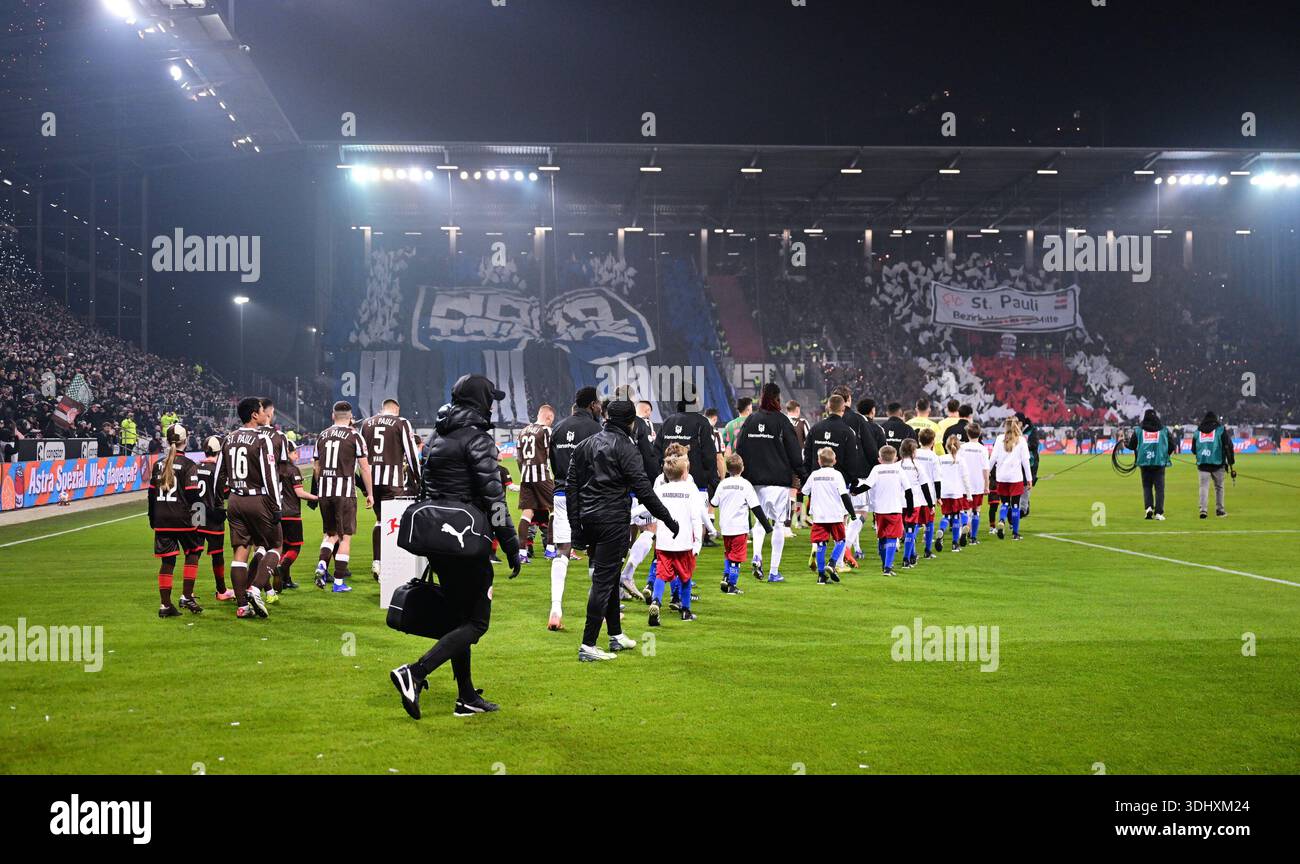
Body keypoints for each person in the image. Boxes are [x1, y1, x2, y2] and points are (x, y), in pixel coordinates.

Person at [389, 374, 520, 720]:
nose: (493, 404)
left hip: (438, 537)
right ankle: (414, 673)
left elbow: (426, 487)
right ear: (481, 401)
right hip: (466, 539)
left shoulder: (436, 435)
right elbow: (494, 497)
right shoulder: (477, 439)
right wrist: (510, 543)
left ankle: (465, 697)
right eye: (491, 398)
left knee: (459, 618)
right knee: (477, 622)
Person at [566, 398, 678, 662]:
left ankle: (615, 635)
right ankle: (588, 644)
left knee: (610, 576)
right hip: (612, 521)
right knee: (604, 582)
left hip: (589, 519)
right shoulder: (626, 447)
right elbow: (643, 489)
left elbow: (571, 487)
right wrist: (668, 519)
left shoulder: (585, 445)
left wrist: (575, 529)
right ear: (631, 422)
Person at [212, 397, 283, 619]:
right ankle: (255, 588)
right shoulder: (262, 439)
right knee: (276, 546)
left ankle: (242, 606)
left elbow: (218, 476)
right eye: (263, 411)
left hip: (235, 500)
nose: (266, 415)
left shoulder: (228, 439)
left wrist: (218, 503)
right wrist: (277, 505)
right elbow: (269, 476)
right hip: (258, 499)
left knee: (240, 553)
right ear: (254, 414)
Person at [545, 387, 604, 631]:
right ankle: (601, 612)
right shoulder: (596, 430)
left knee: (562, 551)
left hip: (561, 494)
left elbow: (551, 461)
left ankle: (555, 609)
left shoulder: (558, 427)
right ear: (592, 405)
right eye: (599, 404)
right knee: (595, 551)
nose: (600, 407)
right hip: (589, 496)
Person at [735, 383, 807, 583]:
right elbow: (794, 452)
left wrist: (743, 474)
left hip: (755, 480)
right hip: (777, 481)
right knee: (777, 524)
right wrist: (802, 474)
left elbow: (740, 448)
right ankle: (774, 571)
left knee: (760, 520)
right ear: (777, 398)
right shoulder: (782, 421)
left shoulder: (751, 419)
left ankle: (757, 555)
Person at [313, 401, 375, 592]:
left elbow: (316, 468)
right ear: (350, 417)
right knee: (345, 538)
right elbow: (365, 467)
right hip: (345, 493)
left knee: (330, 534)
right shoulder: (355, 436)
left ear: (333, 415)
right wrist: (370, 493)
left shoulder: (322, 435)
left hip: (325, 491)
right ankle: (338, 583)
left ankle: (322, 564)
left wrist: (320, 486)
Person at [360, 398, 421, 579]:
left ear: (382, 408)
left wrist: (365, 485)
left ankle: (377, 561)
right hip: (392, 481)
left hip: (372, 480)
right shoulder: (401, 422)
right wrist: (418, 479)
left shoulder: (366, 423)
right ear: (397, 410)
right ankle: (393, 565)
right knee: (394, 521)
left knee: (380, 520)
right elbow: (411, 454)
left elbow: (361, 456)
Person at [147, 423, 204, 618]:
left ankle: (165, 605)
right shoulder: (189, 465)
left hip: (162, 519)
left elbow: (151, 495)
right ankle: (187, 596)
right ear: (185, 440)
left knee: (167, 561)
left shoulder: (158, 465)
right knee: (194, 552)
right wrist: (200, 518)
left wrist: (152, 519)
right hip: (183, 519)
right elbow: (193, 495)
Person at [646, 455, 708, 626]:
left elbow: (645, 508)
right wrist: (698, 543)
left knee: (661, 575)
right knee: (686, 578)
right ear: (684, 474)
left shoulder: (660, 490)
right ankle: (686, 611)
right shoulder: (690, 490)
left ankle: (656, 602)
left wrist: (629, 515)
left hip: (664, 543)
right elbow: (696, 518)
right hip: (684, 543)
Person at [655, 398, 721, 544]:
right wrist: (714, 481)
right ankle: (687, 559)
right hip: (697, 482)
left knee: (668, 520)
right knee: (696, 521)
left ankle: (664, 559)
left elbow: (657, 452)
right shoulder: (702, 422)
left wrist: (661, 473)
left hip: (668, 481)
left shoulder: (668, 422)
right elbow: (709, 455)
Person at [710, 453, 771, 595]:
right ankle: (732, 585)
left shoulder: (723, 484)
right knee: (736, 558)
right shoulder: (745, 485)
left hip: (725, 527)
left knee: (729, 554)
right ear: (742, 468)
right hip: (739, 528)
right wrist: (767, 526)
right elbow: (756, 507)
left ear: (727, 469)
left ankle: (726, 577)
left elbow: (714, 503)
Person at [862, 445, 916, 577]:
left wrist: (854, 491)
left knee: (882, 537)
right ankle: (887, 567)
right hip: (894, 509)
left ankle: (884, 563)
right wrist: (910, 509)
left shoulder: (876, 469)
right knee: (892, 537)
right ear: (896, 458)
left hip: (879, 511)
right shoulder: (899, 470)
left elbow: (866, 485)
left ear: (879, 459)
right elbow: (908, 491)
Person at [805, 447, 855, 585]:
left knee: (820, 543)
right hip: (835, 514)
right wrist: (851, 512)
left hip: (819, 515)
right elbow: (844, 495)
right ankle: (832, 563)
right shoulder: (837, 475)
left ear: (819, 461)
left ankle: (821, 576)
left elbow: (804, 491)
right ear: (834, 460)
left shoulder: (814, 474)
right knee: (841, 540)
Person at [514, 405, 556, 563]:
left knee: (527, 512)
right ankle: (551, 550)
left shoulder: (523, 431)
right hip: (541, 475)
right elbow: (549, 454)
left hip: (526, 476)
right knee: (555, 508)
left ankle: (522, 553)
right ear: (549, 417)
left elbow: (518, 458)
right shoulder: (546, 431)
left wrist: (524, 473)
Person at [192, 435, 232, 601]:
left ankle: (188, 592)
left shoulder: (195, 467)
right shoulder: (218, 470)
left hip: (197, 512)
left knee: (194, 553)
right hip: (214, 514)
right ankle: (221, 590)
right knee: (217, 554)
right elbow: (226, 492)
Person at [1127, 408, 1178, 520]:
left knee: (1147, 487)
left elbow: (1131, 446)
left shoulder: (1139, 430)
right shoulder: (1164, 430)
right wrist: (1166, 455)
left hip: (1144, 463)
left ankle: (1148, 508)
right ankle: (1159, 513)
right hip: (1159, 463)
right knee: (1159, 489)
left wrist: (1124, 442)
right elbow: (1172, 445)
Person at [990, 417, 1032, 540]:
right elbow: (1025, 462)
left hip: (1001, 477)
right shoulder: (1021, 440)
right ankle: (1015, 533)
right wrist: (1029, 479)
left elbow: (992, 459)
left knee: (1005, 503)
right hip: (1015, 477)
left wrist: (987, 474)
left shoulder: (998, 439)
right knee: (1015, 505)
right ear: (1016, 425)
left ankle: (1002, 520)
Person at [1194, 411, 1236, 518]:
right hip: (1218, 464)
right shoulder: (1220, 430)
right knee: (1219, 487)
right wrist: (1231, 462)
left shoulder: (1198, 431)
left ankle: (1203, 510)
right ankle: (1220, 510)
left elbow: (1193, 449)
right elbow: (1228, 446)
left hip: (1203, 464)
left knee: (1203, 487)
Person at [956, 423, 990, 544]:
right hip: (978, 483)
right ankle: (973, 538)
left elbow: (957, 466)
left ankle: (964, 527)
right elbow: (986, 469)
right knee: (977, 510)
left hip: (964, 484)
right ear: (979, 434)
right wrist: (986, 485)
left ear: (967, 434)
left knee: (966, 510)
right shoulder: (983, 449)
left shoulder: (962, 448)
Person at [935, 434, 967, 553]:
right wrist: (968, 494)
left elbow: (937, 477)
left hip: (944, 492)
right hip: (957, 492)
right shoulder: (961, 460)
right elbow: (965, 477)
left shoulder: (940, 459)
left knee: (946, 516)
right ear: (959, 447)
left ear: (945, 446)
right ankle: (954, 543)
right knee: (956, 516)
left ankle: (942, 530)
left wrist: (936, 494)